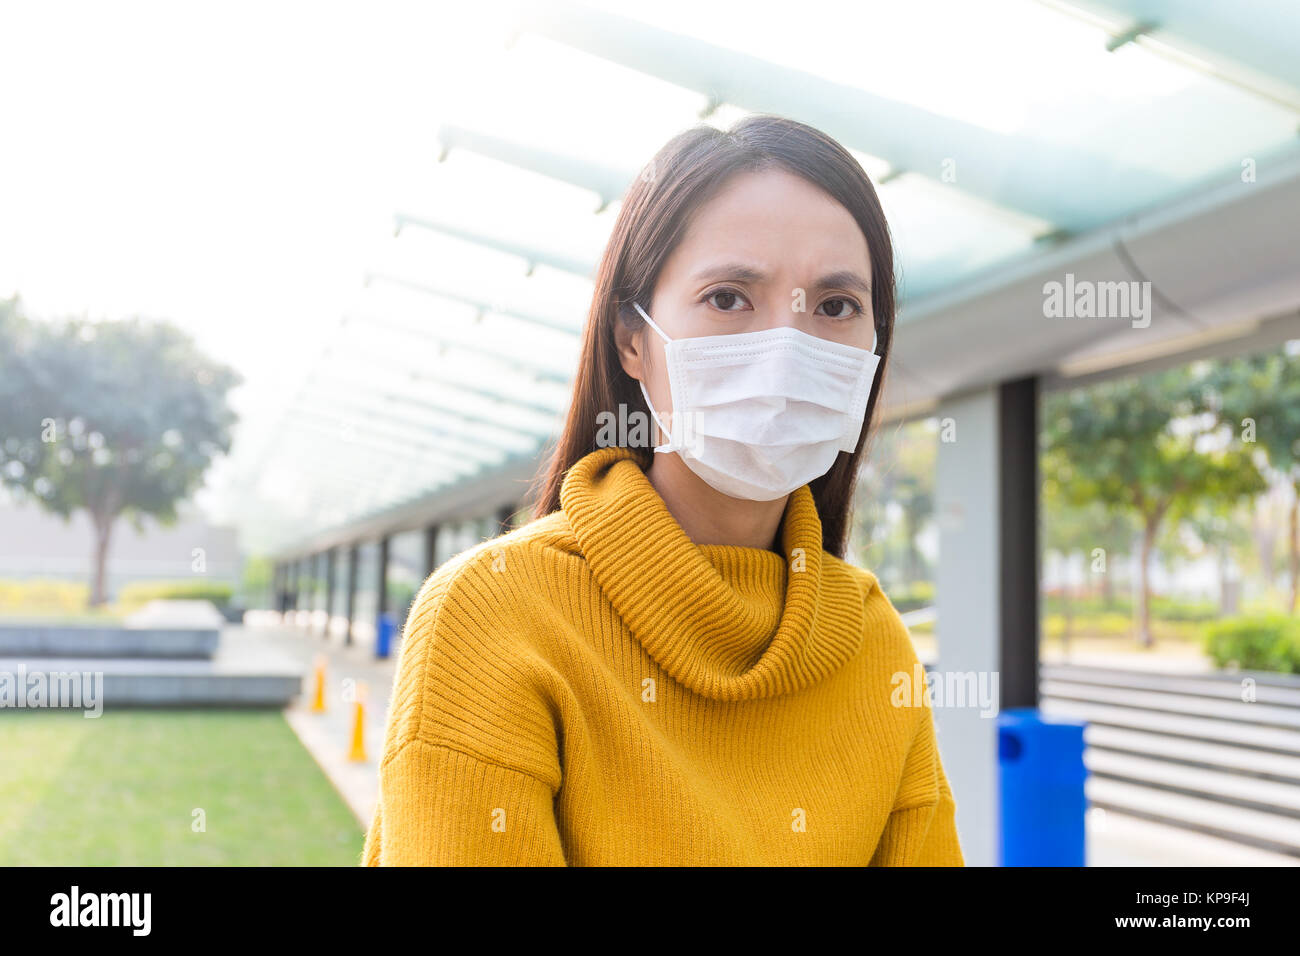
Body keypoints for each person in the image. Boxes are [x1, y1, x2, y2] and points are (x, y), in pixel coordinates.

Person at [362, 114, 964, 866]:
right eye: (729, 297)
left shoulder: (876, 643)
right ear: (632, 339)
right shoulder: (496, 615)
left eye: (836, 306)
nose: (787, 346)